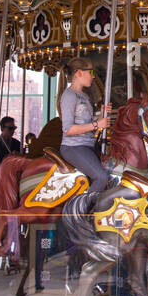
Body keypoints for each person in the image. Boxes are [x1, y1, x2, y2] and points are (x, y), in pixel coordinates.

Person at [57, 58, 110, 196]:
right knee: (101, 177)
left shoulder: (84, 96)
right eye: (90, 72)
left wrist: (101, 116)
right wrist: (97, 124)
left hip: (87, 145)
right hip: (73, 147)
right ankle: (83, 213)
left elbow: (89, 125)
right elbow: (68, 129)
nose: (93, 76)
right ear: (79, 73)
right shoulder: (69, 96)